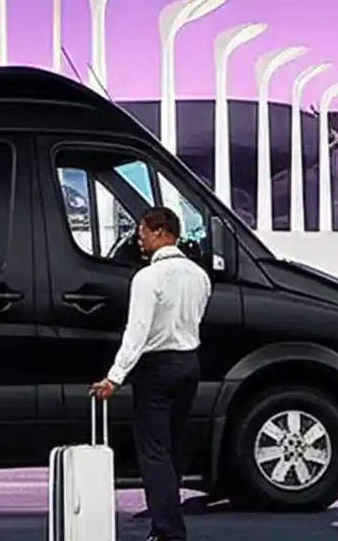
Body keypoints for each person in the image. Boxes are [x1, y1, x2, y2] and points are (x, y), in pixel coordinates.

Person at [91, 207, 211, 541]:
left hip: (156, 368)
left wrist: (114, 377)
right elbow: (197, 317)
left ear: (160, 231)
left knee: (154, 453)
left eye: (142, 230)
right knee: (171, 449)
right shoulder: (199, 275)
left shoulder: (147, 278)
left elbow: (137, 331)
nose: (138, 237)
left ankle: (168, 531)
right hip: (189, 363)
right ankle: (168, 525)